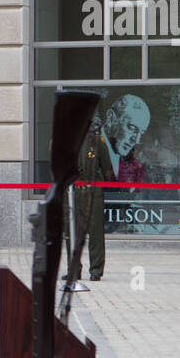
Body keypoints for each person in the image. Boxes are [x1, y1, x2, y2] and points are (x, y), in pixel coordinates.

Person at [65, 119, 114, 284]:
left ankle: (96, 270)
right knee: (71, 233)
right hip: (72, 194)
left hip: (93, 192)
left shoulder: (97, 141)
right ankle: (73, 269)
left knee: (95, 233)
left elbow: (107, 169)